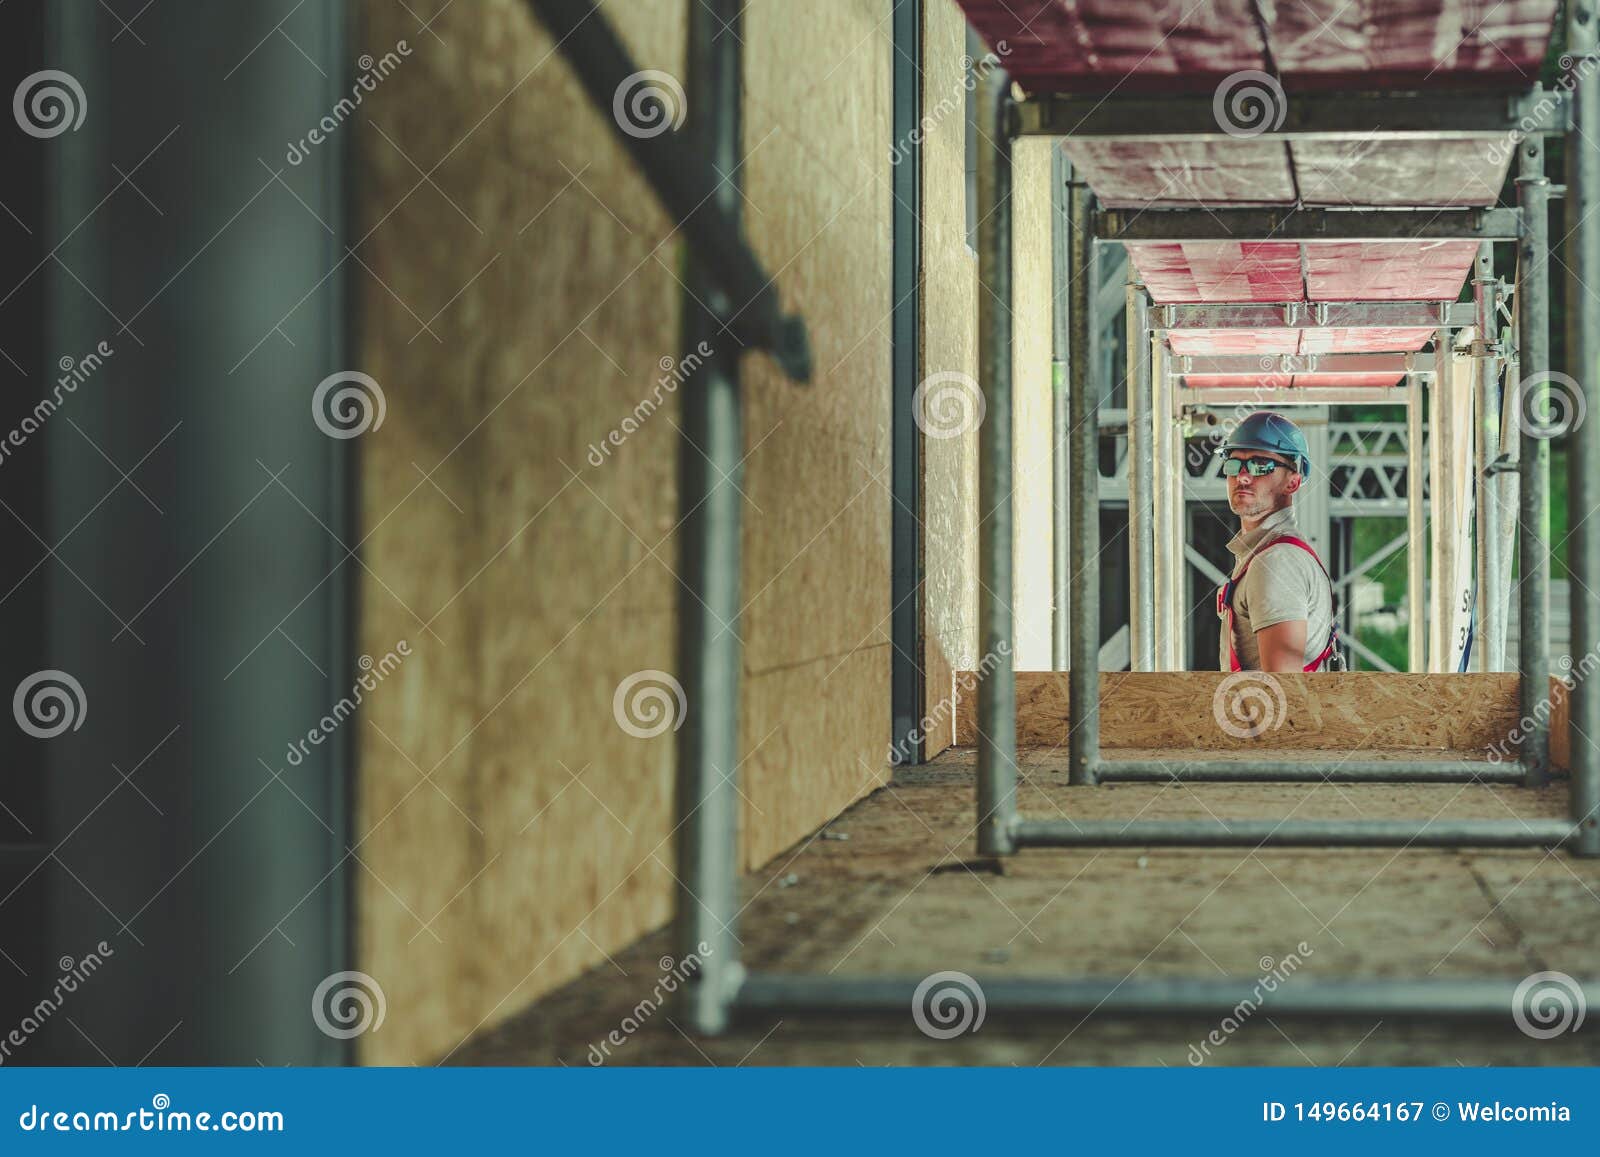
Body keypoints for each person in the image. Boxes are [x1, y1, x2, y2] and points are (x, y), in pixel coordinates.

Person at [1214, 411, 1339, 673]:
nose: (1243, 477)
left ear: (1292, 482)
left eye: (1261, 465)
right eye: (1234, 465)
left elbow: (1283, 690)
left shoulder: (1276, 562)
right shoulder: (1264, 555)